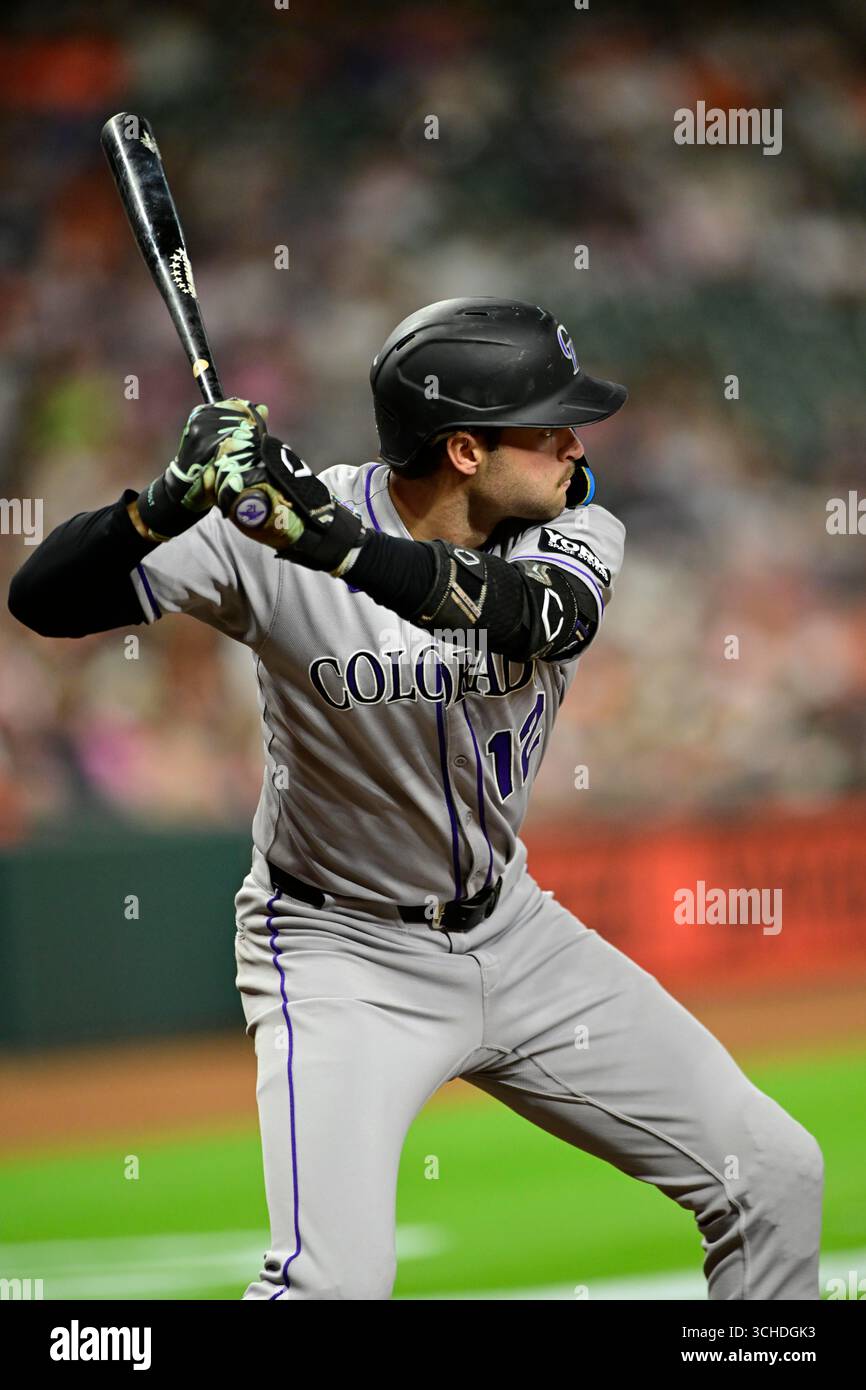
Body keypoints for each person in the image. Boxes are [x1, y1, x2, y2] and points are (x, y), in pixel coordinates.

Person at [8, 297, 823, 1300]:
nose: (575, 443)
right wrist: (165, 503)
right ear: (466, 450)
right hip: (339, 953)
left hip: (516, 935)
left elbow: (539, 620)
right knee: (330, 1284)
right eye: (548, 423)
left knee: (775, 1176)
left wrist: (337, 546)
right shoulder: (268, 532)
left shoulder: (573, 527)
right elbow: (41, 599)